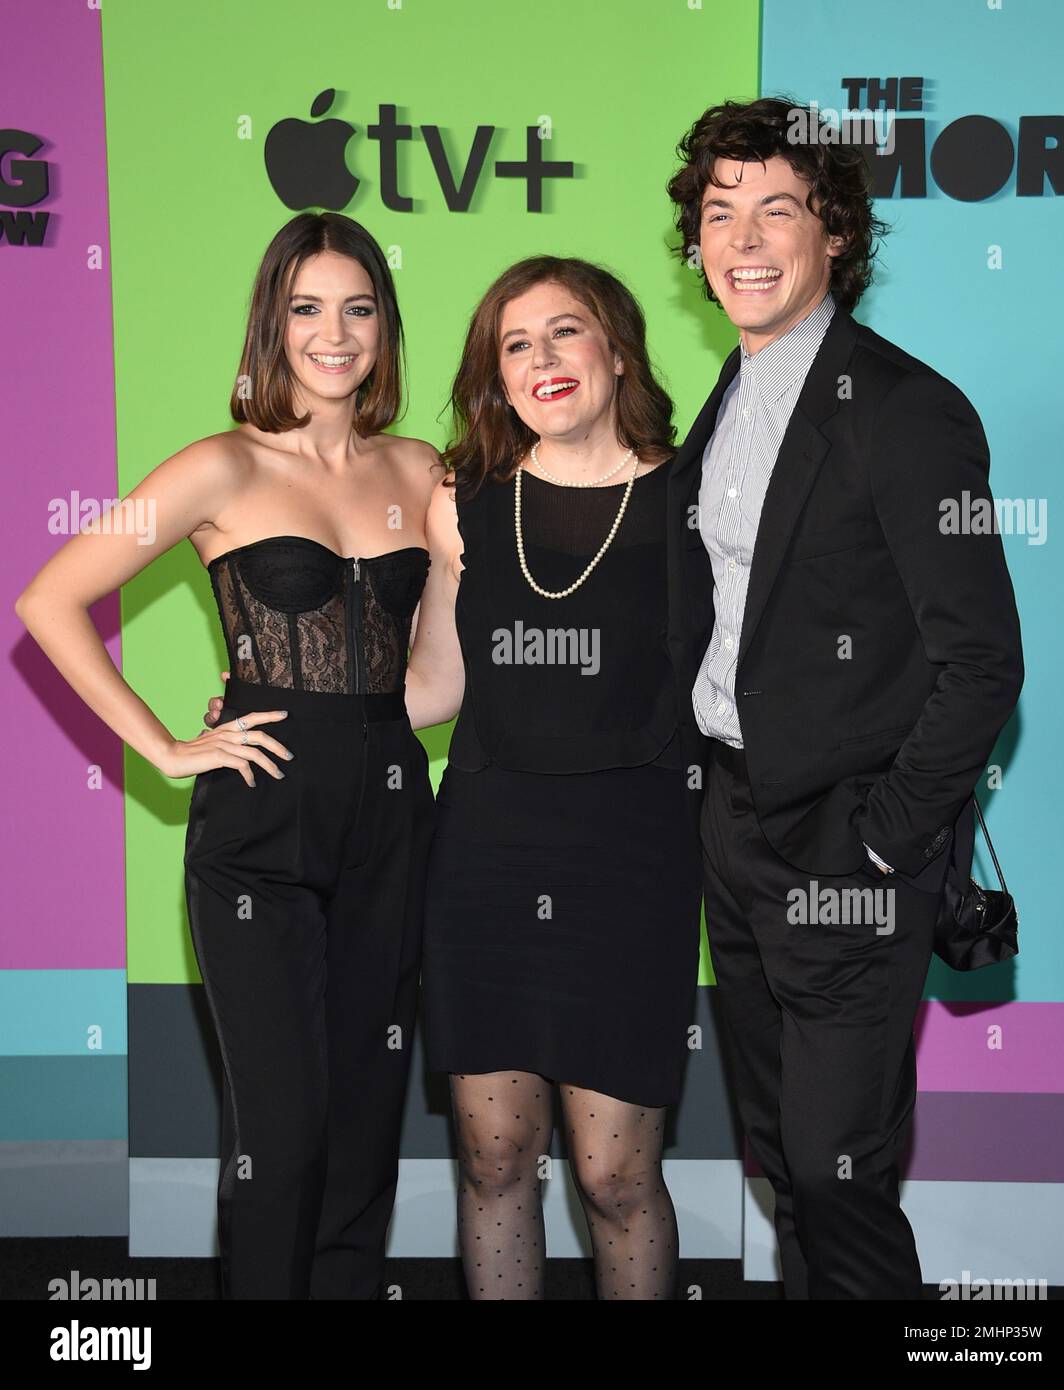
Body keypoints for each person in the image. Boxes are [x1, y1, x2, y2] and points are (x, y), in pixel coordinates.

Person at [15, 212, 440, 1299]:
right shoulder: (221, 465)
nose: (333, 333)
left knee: (363, 1131)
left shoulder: (421, 469)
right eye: (306, 308)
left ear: (385, 328)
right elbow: (49, 600)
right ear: (272, 324)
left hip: (393, 820)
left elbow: (434, 679)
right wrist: (160, 743)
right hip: (259, 830)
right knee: (283, 1135)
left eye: (357, 308)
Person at [663, 96, 1024, 1298]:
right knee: (783, 1158)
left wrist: (881, 842)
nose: (744, 238)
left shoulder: (909, 411)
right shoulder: (724, 400)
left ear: (835, 238)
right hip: (735, 826)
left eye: (779, 208)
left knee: (834, 1171)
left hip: (847, 843)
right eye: (721, 213)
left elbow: (982, 663)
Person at [408, 257, 704, 1299]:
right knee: (495, 1161)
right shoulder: (463, 505)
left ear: (616, 350)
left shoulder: (695, 500)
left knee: (616, 1173)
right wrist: (287, 709)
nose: (542, 359)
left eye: (565, 332)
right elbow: (434, 688)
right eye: (515, 344)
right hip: (487, 851)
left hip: (634, 857)